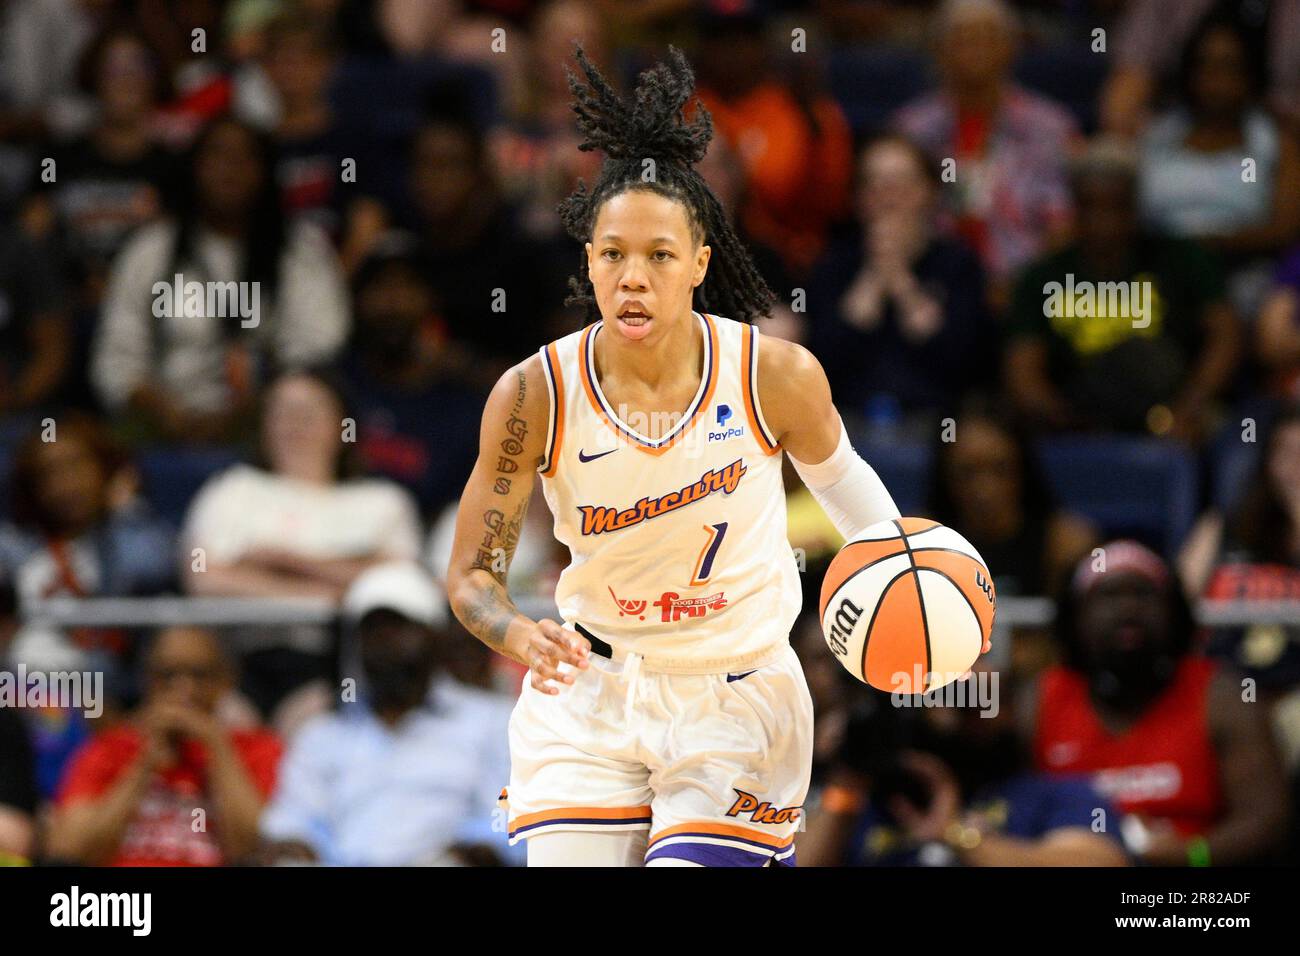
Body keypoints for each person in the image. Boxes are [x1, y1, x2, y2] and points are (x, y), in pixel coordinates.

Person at [445, 46, 958, 868]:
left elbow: (853, 499)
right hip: (591, 689)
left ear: (700, 264)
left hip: (736, 689)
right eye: (613, 254)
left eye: (659, 255)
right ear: (589, 261)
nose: (634, 279)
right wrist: (516, 632)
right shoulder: (532, 393)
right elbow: (472, 577)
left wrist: (911, 585)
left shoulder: (772, 373)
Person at [92, 114, 349, 446]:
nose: (230, 169)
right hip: (161, 420)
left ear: (265, 171)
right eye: (217, 155)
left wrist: (247, 413)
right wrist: (164, 412)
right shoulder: (150, 250)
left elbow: (316, 351)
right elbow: (117, 357)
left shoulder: (301, 250)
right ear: (194, 167)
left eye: (245, 157)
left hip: (269, 421)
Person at [181, 367, 423, 721]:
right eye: (281, 413)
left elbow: (399, 584)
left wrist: (283, 560)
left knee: (314, 721)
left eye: (308, 413)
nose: (295, 425)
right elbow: (205, 578)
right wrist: (336, 588)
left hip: (338, 660)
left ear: (343, 425)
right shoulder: (232, 490)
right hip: (239, 658)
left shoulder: (382, 501)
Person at [1028, 541, 1291, 865]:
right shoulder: (1040, 699)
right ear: (1076, 617)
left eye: (1143, 594)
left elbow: (1269, 819)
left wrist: (1192, 855)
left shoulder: (1222, 695)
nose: (1128, 609)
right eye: (1109, 596)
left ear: (1174, 612)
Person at [259, 561, 518, 865]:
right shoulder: (323, 733)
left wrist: (471, 852)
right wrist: (296, 846)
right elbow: (294, 820)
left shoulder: (491, 721)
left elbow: (506, 817)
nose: (385, 645)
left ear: (435, 636)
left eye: (400, 629)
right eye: (373, 632)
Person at [1005, 138, 1241, 444]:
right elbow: (1023, 374)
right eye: (1091, 207)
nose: (1104, 223)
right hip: (1076, 415)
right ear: (1074, 208)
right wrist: (1069, 424)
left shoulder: (1182, 259)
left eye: (1116, 207)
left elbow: (1226, 337)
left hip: (1173, 407)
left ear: (1135, 206)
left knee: (1218, 430)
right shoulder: (1042, 277)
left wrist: (1188, 406)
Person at [801, 661, 1129, 867]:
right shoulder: (862, 804)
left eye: (980, 699)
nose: (962, 709)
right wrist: (848, 778)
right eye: (938, 697)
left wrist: (956, 833)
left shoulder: (1054, 794)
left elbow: (1101, 861)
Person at [47, 626, 282, 866]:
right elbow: (68, 850)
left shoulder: (259, 749)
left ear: (226, 679)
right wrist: (143, 765)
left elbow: (258, 846)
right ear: (146, 679)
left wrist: (217, 748)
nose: (183, 688)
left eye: (199, 674)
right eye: (167, 674)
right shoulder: (108, 748)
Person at [893, 0, 1078, 295]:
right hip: (928, 288)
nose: (976, 49)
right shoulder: (911, 130)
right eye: (963, 39)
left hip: (1028, 289)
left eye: (987, 38)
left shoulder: (1050, 128)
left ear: (1011, 48)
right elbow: (893, 219)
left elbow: (1062, 227)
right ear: (938, 52)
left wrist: (1026, 290)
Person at [807, 133, 993, 423]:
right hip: (844, 425)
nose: (889, 198)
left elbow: (965, 363)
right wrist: (872, 278)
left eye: (902, 184)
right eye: (875, 185)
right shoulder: (833, 265)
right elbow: (820, 365)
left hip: (939, 425)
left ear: (930, 192)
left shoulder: (959, 264)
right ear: (858, 198)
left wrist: (902, 283)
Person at [337, 234, 488, 519]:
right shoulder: (335, 388)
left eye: (407, 287)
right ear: (358, 300)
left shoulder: (465, 408)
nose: (393, 303)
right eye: (379, 288)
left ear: (431, 300)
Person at [1137, 13, 1300, 261]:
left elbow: (1285, 229)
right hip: (1159, 276)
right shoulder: (1156, 136)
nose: (1215, 81)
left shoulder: (1274, 143)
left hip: (1246, 277)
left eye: (1229, 66)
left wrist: (1204, 248)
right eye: (1204, 65)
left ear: (1250, 74)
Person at [927, 406, 1097, 598]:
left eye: (1000, 469)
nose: (985, 489)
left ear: (1023, 469)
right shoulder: (921, 544)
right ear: (945, 476)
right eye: (967, 472)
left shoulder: (1064, 544)